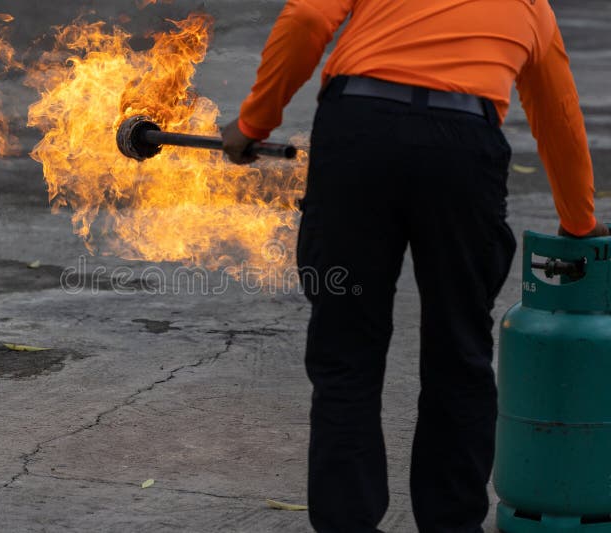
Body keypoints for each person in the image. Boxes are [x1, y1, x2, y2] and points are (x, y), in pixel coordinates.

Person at [221, 0, 608, 531]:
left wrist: (254, 121)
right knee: (460, 352)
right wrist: (579, 221)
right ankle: (451, 524)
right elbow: (556, 110)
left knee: (346, 351)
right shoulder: (531, 5)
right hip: (463, 147)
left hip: (358, 135)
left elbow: (307, 19)